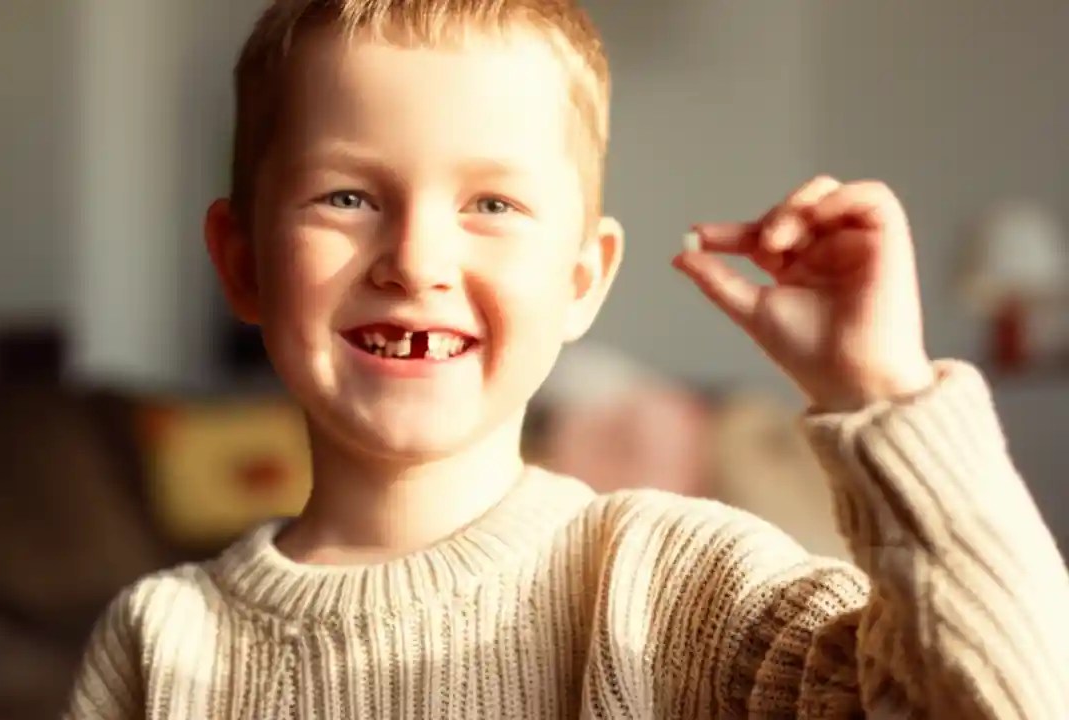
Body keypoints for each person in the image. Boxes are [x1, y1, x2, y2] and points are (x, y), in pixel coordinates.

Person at [64, 1, 1069, 717]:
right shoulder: (156, 646)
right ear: (242, 264)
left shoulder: (678, 588)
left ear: (582, 279)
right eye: (347, 197)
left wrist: (881, 392)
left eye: (490, 205)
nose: (416, 260)